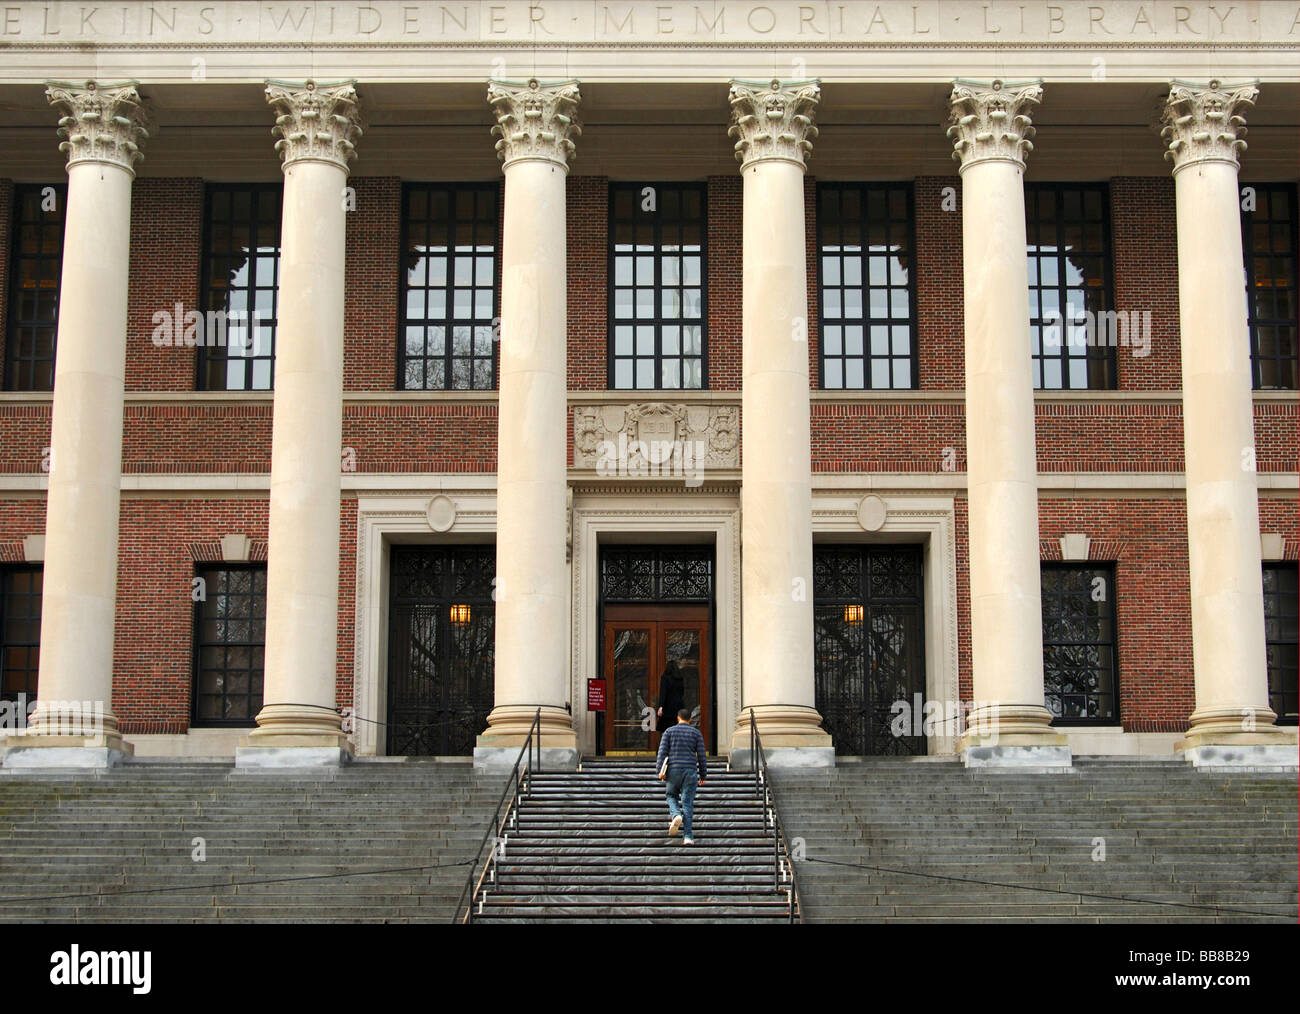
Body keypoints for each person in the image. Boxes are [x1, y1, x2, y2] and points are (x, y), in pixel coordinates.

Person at [656, 707, 707, 845]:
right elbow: (702, 755)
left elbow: (662, 753)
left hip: (673, 770)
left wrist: (659, 771)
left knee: (671, 795)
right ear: (690, 719)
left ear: (678, 718)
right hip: (690, 771)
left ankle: (676, 814)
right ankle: (688, 836)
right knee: (687, 803)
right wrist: (703, 775)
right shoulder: (696, 733)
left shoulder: (669, 732)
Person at [655, 660, 684, 742]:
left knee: (665, 730)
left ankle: (665, 749)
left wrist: (661, 706)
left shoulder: (665, 677)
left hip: (667, 707)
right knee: (676, 729)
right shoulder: (680, 678)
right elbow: (682, 693)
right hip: (678, 707)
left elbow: (663, 693)